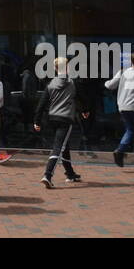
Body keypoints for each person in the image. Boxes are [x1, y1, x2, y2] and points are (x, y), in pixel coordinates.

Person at [35, 55, 83, 187]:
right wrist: (84, 110)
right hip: (65, 119)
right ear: (67, 67)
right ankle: (47, 175)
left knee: (64, 145)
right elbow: (78, 98)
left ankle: (70, 174)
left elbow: (41, 104)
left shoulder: (51, 84)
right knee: (59, 147)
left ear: (55, 69)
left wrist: (37, 121)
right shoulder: (72, 82)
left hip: (53, 118)